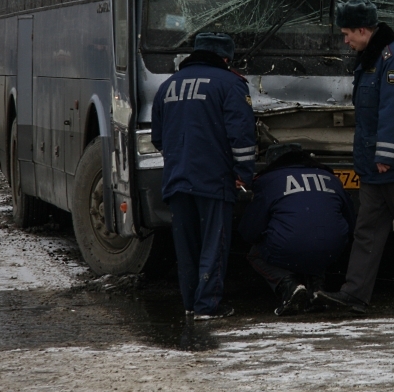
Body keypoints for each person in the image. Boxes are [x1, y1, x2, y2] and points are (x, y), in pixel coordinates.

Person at [317, 0, 394, 314]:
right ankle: (355, 294)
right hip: (375, 166)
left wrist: (386, 153)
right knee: (367, 231)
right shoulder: (371, 58)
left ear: (362, 30)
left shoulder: (393, 56)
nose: (345, 40)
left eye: (347, 33)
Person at [151, 32, 256, 320]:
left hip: (177, 179)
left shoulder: (167, 87)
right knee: (214, 243)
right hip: (214, 179)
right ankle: (207, 306)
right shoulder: (231, 84)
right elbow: (242, 136)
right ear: (225, 59)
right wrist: (243, 174)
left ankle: (190, 303)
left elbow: (158, 139)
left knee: (186, 247)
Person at [239, 143, 355, 316]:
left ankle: (289, 286)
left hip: (291, 246)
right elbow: (350, 219)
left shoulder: (268, 180)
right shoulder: (329, 177)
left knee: (256, 253)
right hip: (332, 247)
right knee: (318, 239)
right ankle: (317, 289)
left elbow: (250, 230)